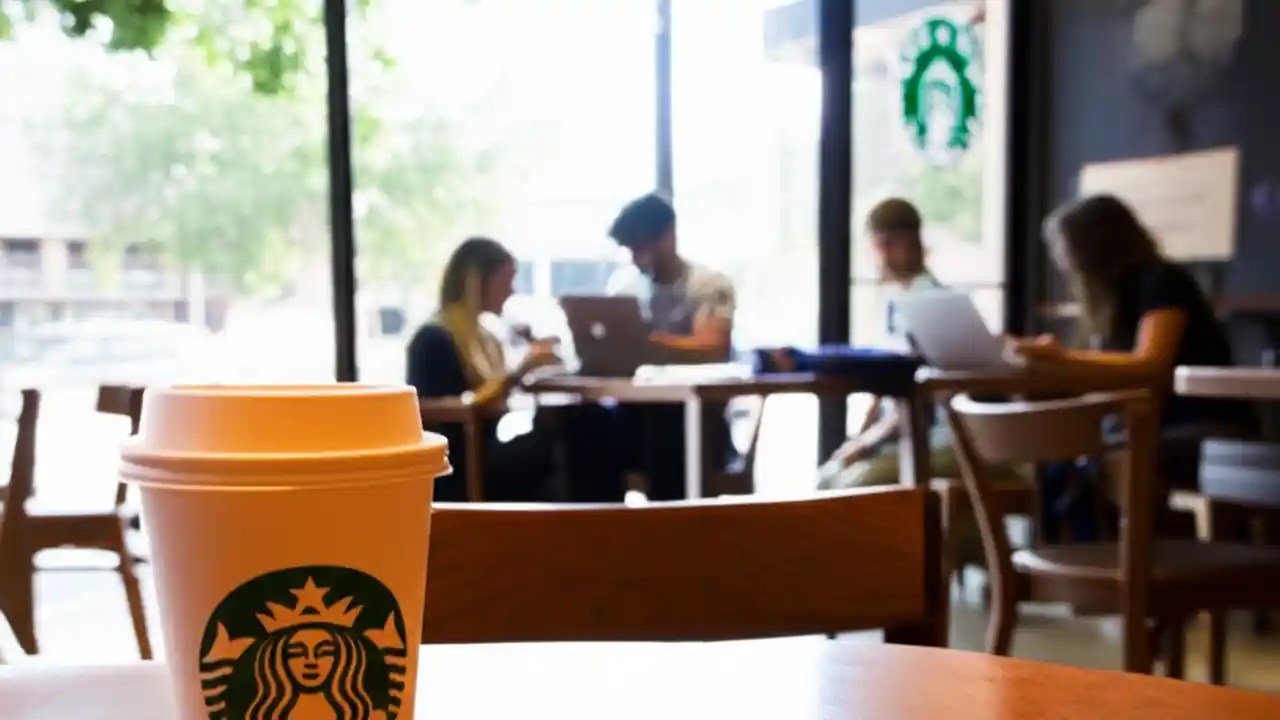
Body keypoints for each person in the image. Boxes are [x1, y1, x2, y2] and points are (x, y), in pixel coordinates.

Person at [1014, 195, 1257, 540]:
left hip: (1205, 423)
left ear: (1094, 245)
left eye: (1062, 247)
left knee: (1101, 462)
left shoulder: (1162, 281)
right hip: (1152, 426)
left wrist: (1059, 359)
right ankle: (1094, 572)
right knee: (1062, 464)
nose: (1060, 260)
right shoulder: (1110, 303)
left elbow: (1150, 365)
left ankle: (1120, 572)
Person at [818, 198, 1021, 491]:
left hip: (945, 440)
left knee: (844, 486)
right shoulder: (904, 302)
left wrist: (864, 443)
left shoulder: (925, 306)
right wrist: (859, 440)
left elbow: (915, 401)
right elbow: (887, 392)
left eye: (883, 245)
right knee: (829, 477)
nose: (880, 256)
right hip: (921, 438)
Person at [405, 237, 561, 502]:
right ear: (477, 281)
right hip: (460, 459)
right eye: (506, 282)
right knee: (559, 447)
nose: (511, 292)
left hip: (485, 448)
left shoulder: (485, 337)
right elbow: (444, 408)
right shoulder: (434, 339)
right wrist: (520, 370)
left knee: (568, 429)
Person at [607, 193, 737, 499]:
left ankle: (672, 529)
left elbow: (713, 350)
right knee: (586, 426)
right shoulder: (625, 288)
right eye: (630, 249)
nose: (636, 257)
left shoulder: (708, 285)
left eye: (641, 246)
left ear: (668, 236)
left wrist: (648, 344)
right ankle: (599, 532)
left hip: (694, 413)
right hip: (634, 409)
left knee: (666, 426)